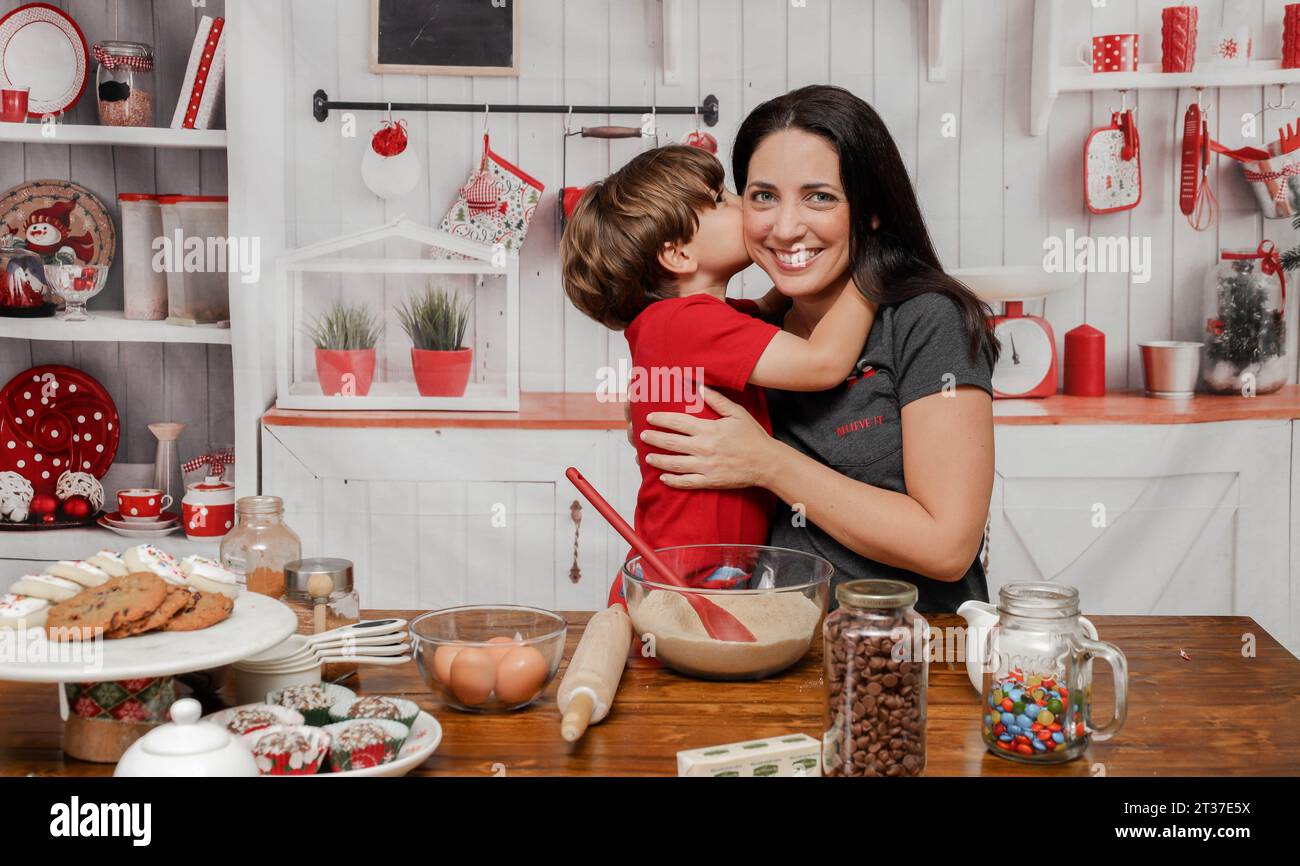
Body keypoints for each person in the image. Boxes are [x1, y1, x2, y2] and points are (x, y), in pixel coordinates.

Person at [639, 85, 1000, 613]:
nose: (786, 229)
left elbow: (947, 548)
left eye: (820, 196)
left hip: (906, 659)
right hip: (769, 648)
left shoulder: (928, 320)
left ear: (872, 211)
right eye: (763, 196)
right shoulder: (744, 333)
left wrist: (767, 463)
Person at [560, 144, 876, 607]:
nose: (741, 203)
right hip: (679, 586)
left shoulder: (696, 320)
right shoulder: (683, 324)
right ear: (678, 254)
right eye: (721, 199)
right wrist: (871, 265)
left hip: (697, 576)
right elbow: (822, 363)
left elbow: (773, 307)